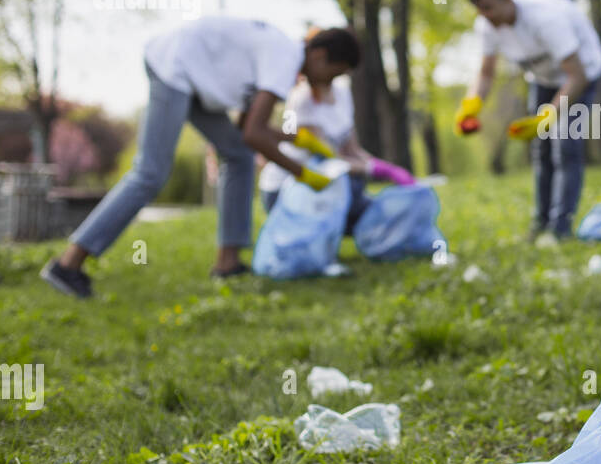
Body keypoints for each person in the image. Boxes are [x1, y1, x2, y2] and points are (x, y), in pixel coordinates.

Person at [40, 19, 362, 298]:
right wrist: (304, 174)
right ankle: (67, 265)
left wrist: (297, 138)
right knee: (150, 173)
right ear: (319, 56)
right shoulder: (285, 59)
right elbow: (254, 133)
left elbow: (245, 131)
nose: (330, 83)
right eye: (334, 74)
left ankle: (228, 263)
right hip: (174, 66)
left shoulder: (282, 55)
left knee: (237, 155)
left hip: (193, 76)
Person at [456, 0, 601, 239]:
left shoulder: (545, 18)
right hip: (543, 78)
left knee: (565, 148)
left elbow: (577, 75)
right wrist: (471, 105)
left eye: (488, 7)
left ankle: (560, 229)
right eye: (479, 9)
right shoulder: (488, 24)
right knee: (541, 150)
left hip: (581, 75)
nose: (484, 16)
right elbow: (487, 73)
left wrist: (546, 117)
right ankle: (541, 223)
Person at [258, 47, 414, 233]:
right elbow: (327, 160)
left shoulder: (343, 93)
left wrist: (386, 167)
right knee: (353, 186)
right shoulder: (301, 99)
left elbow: (352, 149)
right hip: (288, 187)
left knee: (379, 216)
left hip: (329, 180)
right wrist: (376, 170)